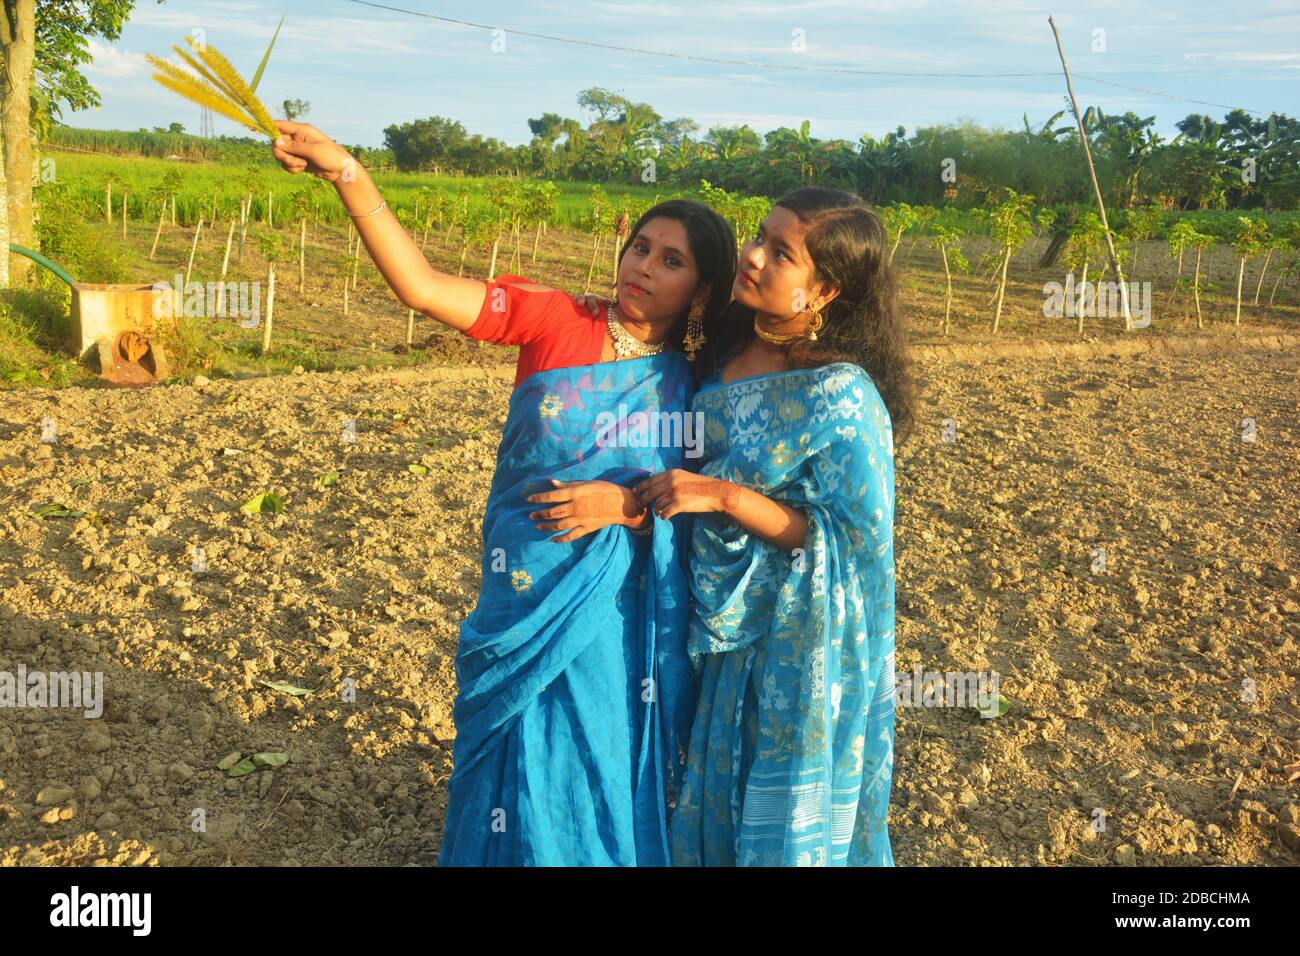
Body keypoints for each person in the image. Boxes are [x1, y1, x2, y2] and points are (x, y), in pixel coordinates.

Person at [269, 120, 737, 865]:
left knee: (598, 743)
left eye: (671, 260)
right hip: (523, 585)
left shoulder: (700, 389)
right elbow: (421, 289)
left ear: (702, 288)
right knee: (519, 738)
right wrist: (347, 173)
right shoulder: (555, 320)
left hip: (617, 615)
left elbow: (707, 504)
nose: (644, 266)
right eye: (640, 247)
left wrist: (627, 510)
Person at [632, 186, 918, 865]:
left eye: (781, 253)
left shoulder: (840, 394)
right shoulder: (721, 345)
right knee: (716, 778)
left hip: (796, 636)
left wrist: (727, 499)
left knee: (776, 796)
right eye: (761, 236)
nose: (753, 256)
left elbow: (853, 541)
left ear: (822, 293)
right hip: (713, 616)